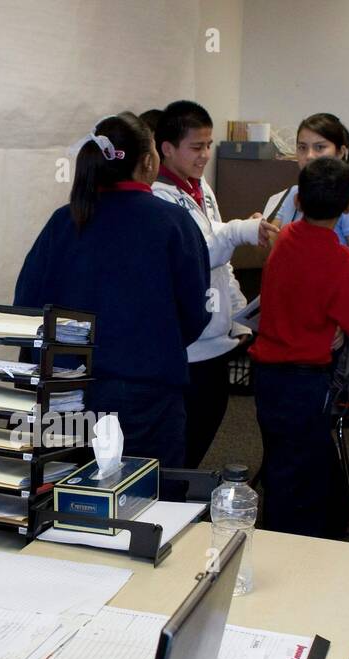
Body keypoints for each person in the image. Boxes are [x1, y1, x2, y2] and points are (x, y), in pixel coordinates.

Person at [14, 112, 211, 467]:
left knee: (67, 495)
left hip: (66, 394)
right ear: (149, 161)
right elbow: (194, 314)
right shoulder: (173, 223)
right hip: (146, 393)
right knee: (149, 498)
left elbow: (28, 306)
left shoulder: (63, 221)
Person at [250, 158, 349, 537]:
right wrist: (338, 323)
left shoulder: (284, 237)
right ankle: (301, 542)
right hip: (308, 380)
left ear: (298, 201)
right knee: (306, 466)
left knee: (279, 458)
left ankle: (275, 530)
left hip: (267, 374)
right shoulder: (342, 260)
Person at [151, 100, 276, 467]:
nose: (205, 155)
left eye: (209, 145)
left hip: (216, 342)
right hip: (187, 349)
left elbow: (222, 265)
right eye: (196, 147)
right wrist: (241, 230)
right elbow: (198, 253)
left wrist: (239, 313)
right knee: (178, 451)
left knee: (201, 437)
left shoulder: (200, 186)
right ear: (167, 148)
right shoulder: (158, 196)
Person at [263, 113, 349, 283]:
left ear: (341, 153)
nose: (309, 156)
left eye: (319, 147)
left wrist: (319, 279)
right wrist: (259, 229)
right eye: (302, 147)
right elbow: (277, 243)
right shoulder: (293, 194)